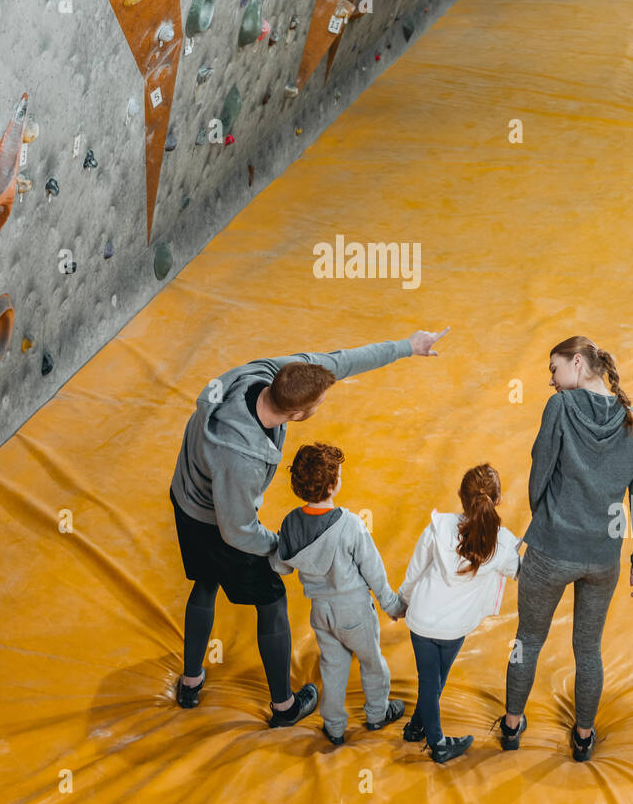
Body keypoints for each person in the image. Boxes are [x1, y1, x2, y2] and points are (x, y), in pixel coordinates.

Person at [168, 327, 449, 726]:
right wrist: (286, 548)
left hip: (187, 493)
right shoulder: (240, 458)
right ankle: (284, 706)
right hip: (215, 520)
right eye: (319, 403)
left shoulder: (268, 374)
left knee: (205, 582)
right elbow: (236, 530)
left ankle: (191, 681)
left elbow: (340, 360)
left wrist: (407, 347)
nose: (323, 401)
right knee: (272, 599)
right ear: (297, 414)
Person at [499, 336, 633, 762]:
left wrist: (546, 520)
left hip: (551, 548)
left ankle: (512, 726)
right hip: (603, 558)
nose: (552, 381)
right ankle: (584, 735)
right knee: (588, 649)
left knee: (526, 640)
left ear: (579, 362)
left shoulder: (561, 409)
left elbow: (539, 475)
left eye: (554, 369)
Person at [269, 443, 405, 745]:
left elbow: (281, 566)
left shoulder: (290, 522)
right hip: (354, 609)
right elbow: (373, 571)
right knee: (372, 663)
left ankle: (333, 726)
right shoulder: (350, 524)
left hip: (320, 612)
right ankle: (377, 713)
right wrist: (392, 604)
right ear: (333, 485)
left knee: (332, 666)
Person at [397, 464, 521, 765]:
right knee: (436, 680)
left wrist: (402, 600)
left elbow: (415, 570)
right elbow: (520, 571)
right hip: (455, 628)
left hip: (422, 619)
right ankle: (438, 743)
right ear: (499, 501)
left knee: (430, 680)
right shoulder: (503, 544)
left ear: (460, 497)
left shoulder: (438, 528)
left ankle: (416, 726)